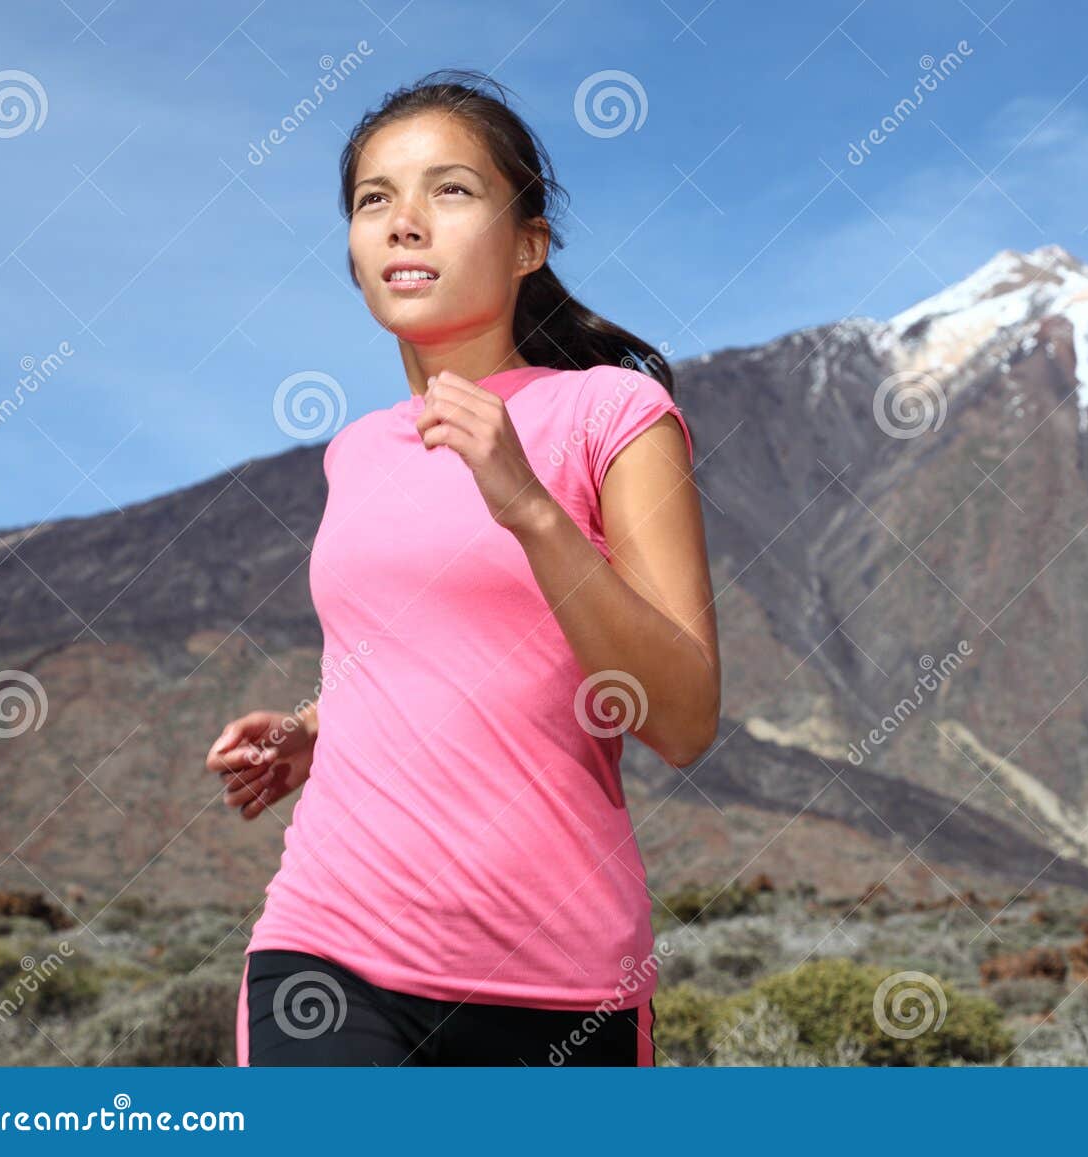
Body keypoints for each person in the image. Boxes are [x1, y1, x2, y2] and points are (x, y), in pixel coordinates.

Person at [203, 68, 720, 1067]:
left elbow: (684, 716)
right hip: (332, 951)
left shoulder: (609, 414)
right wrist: (318, 727)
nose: (404, 222)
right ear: (353, 253)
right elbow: (430, 648)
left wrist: (530, 509)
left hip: (563, 988)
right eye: (373, 199)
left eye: (450, 189)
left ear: (528, 243)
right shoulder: (352, 451)